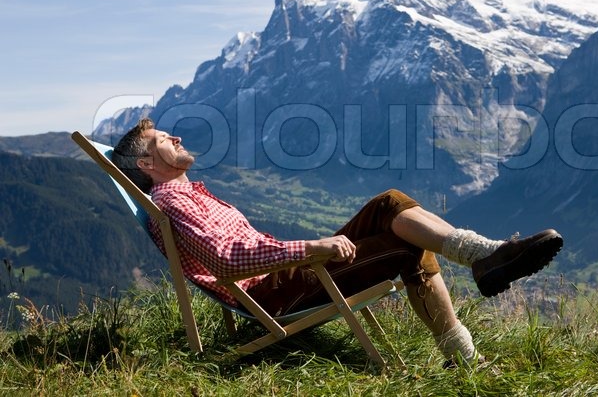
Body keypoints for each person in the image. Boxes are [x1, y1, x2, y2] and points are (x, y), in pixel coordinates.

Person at [112, 118, 563, 365]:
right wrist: (314, 248)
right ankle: (466, 358)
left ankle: (484, 255)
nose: (177, 136)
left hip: (281, 277)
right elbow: (229, 261)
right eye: (164, 139)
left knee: (389, 203)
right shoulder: (172, 202)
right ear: (149, 163)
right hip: (274, 292)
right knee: (406, 247)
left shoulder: (187, 193)